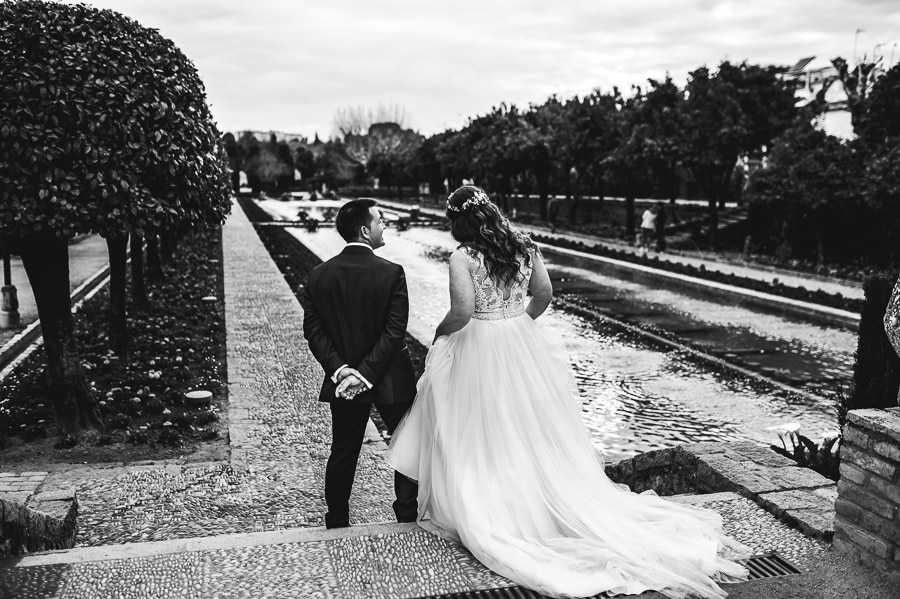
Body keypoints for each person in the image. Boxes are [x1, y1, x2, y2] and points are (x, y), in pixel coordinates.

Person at [387, 185, 748, 598]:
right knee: (532, 428)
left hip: (479, 344)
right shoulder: (524, 246)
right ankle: (544, 499)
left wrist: (439, 332)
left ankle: (503, 507)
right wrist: (518, 323)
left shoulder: (463, 257)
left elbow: (463, 311)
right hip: (519, 341)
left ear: (458, 221)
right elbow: (544, 295)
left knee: (483, 429)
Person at [301, 198, 418, 528]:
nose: (385, 226)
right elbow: (394, 333)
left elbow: (313, 330)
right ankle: (406, 513)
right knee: (406, 443)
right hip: (391, 377)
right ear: (366, 231)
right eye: (381, 221)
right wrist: (366, 374)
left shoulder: (319, 275)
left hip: (345, 382)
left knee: (343, 449)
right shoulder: (392, 272)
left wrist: (342, 371)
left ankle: (337, 518)